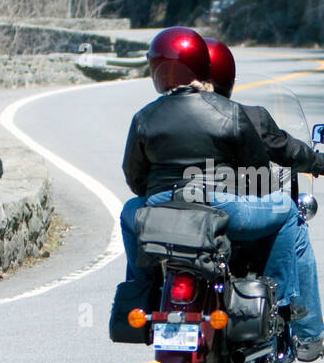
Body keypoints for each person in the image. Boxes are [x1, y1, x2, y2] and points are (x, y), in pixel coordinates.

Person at [118, 27, 303, 322]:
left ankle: (141, 289)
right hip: (219, 207)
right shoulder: (230, 112)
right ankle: (284, 305)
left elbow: (135, 180)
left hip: (161, 209)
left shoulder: (143, 117)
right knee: (288, 212)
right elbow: (260, 175)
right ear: (203, 65)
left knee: (129, 212)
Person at [204, 38, 324, 362]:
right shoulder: (249, 117)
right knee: (291, 220)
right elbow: (288, 149)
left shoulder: (168, 118)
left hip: (186, 217)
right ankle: (308, 333)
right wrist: (318, 161)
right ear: (229, 78)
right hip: (241, 217)